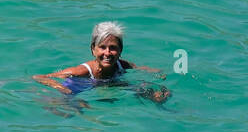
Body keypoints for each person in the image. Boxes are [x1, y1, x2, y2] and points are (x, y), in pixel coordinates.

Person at [32, 21, 171, 104]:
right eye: (102, 47)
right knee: (75, 109)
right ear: (93, 49)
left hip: (105, 86)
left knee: (146, 91)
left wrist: (159, 74)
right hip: (76, 90)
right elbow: (40, 77)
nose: (107, 53)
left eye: (113, 48)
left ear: (120, 50)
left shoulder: (122, 64)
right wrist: (63, 89)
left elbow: (139, 68)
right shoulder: (82, 71)